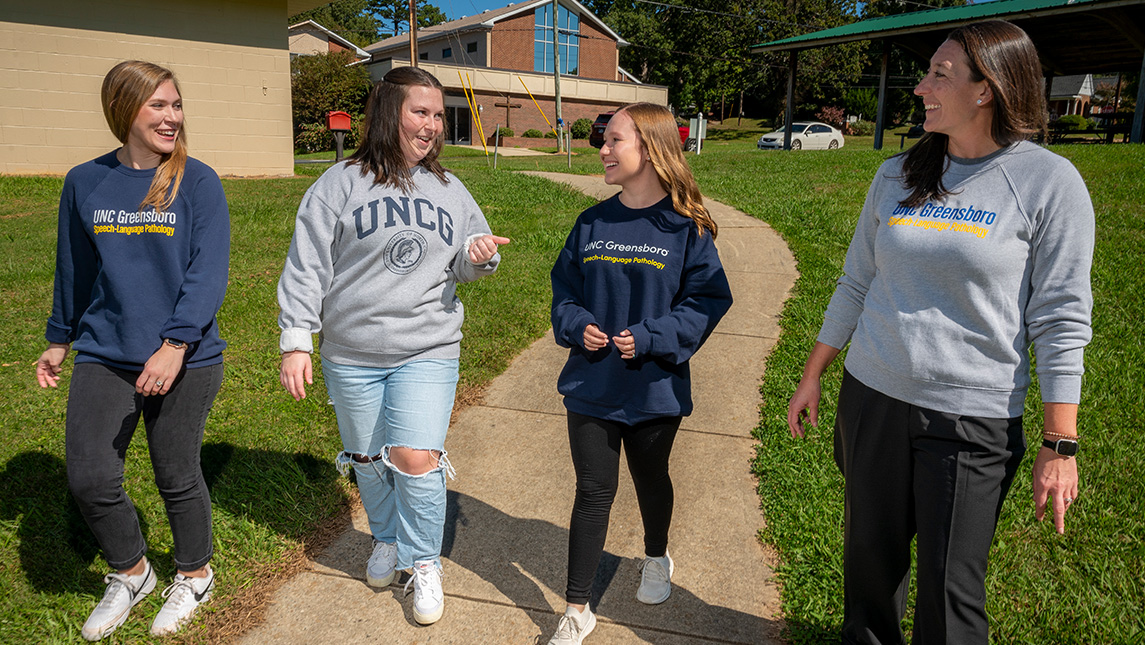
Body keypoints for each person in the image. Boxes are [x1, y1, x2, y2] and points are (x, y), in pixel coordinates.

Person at [786, 20, 1094, 645]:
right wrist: (814, 372)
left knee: (952, 597)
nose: (921, 87)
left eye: (939, 75)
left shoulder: (1048, 182)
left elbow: (1061, 318)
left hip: (971, 420)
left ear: (987, 89)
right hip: (872, 397)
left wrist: (1059, 444)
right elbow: (856, 281)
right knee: (868, 574)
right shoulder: (897, 174)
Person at [277, 66, 508, 626]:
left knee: (414, 456)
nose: (432, 125)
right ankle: (386, 538)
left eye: (438, 115)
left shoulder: (450, 190)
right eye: (420, 112)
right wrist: (297, 338)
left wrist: (478, 258)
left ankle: (423, 560)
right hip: (351, 352)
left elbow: (466, 259)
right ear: (388, 113)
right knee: (366, 455)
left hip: (427, 345)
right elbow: (308, 264)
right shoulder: (339, 184)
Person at [35, 60, 230, 640]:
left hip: (186, 355)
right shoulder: (85, 181)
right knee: (90, 478)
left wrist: (175, 343)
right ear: (124, 109)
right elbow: (75, 266)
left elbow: (208, 273)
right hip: (106, 350)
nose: (172, 117)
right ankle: (132, 572)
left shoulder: (197, 181)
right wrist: (59, 337)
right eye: (158, 106)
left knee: (176, 473)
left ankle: (194, 575)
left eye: (176, 105)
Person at [548, 102, 733, 644]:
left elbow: (707, 301)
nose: (602, 149)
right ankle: (577, 609)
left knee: (651, 478)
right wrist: (576, 324)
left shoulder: (686, 228)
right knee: (593, 490)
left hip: (655, 387)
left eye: (615, 140)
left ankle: (656, 556)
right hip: (592, 384)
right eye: (603, 140)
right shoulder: (591, 222)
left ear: (650, 149)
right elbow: (564, 293)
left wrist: (653, 337)